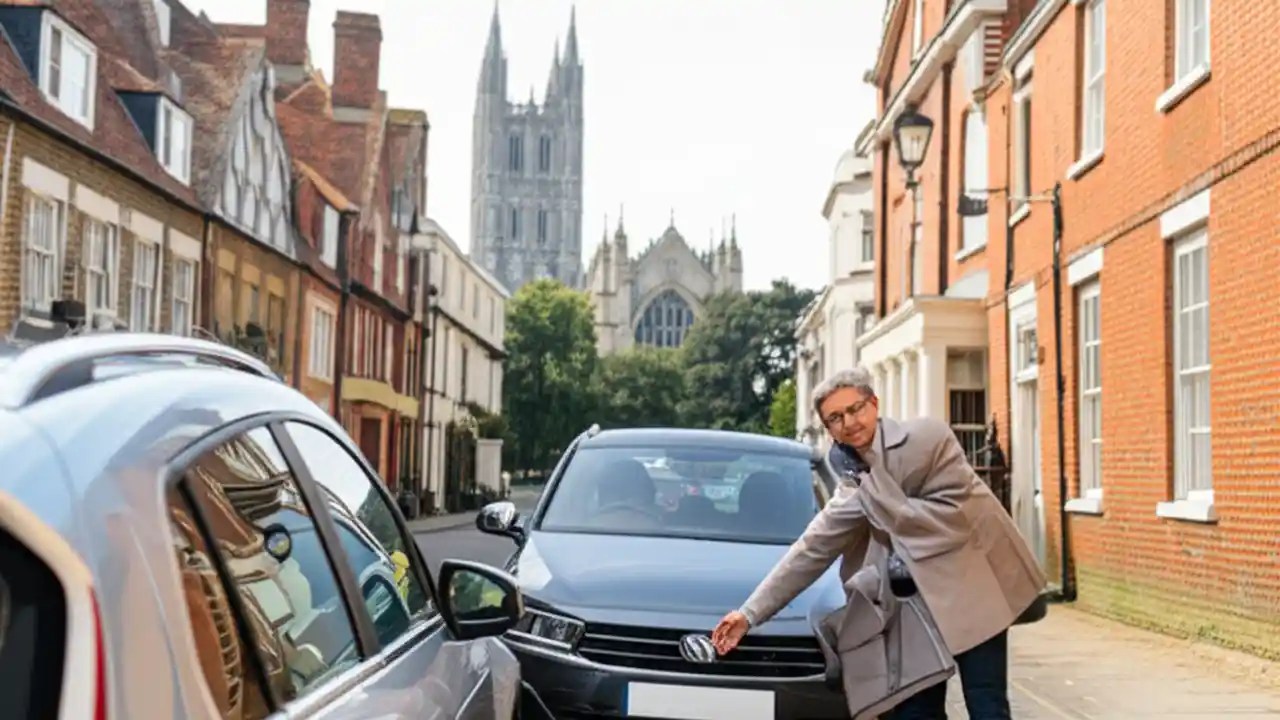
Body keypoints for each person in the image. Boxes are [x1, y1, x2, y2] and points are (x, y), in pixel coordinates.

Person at [711, 368, 1046, 719]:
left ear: (874, 403)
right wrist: (749, 614)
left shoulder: (926, 440)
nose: (849, 422)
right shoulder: (851, 482)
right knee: (914, 713)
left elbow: (952, 518)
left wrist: (872, 495)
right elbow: (812, 549)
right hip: (911, 611)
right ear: (828, 429)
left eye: (855, 409)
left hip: (971, 593)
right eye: (835, 418)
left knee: (987, 703)